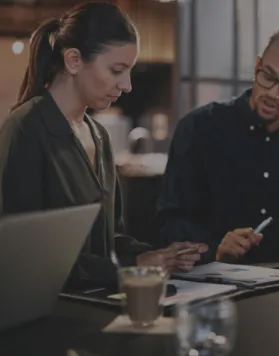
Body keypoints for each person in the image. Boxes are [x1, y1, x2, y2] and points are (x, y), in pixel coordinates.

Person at [0, 1, 207, 287]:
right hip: (52, 313)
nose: (127, 85)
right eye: (116, 70)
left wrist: (156, 255)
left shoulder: (99, 134)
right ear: (73, 61)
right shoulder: (25, 128)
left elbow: (110, 241)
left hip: (101, 305)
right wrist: (131, 267)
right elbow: (24, 255)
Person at [156, 27, 279, 269]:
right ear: (257, 66)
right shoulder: (198, 127)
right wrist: (215, 247)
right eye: (268, 77)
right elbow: (169, 225)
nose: (273, 94)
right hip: (212, 282)